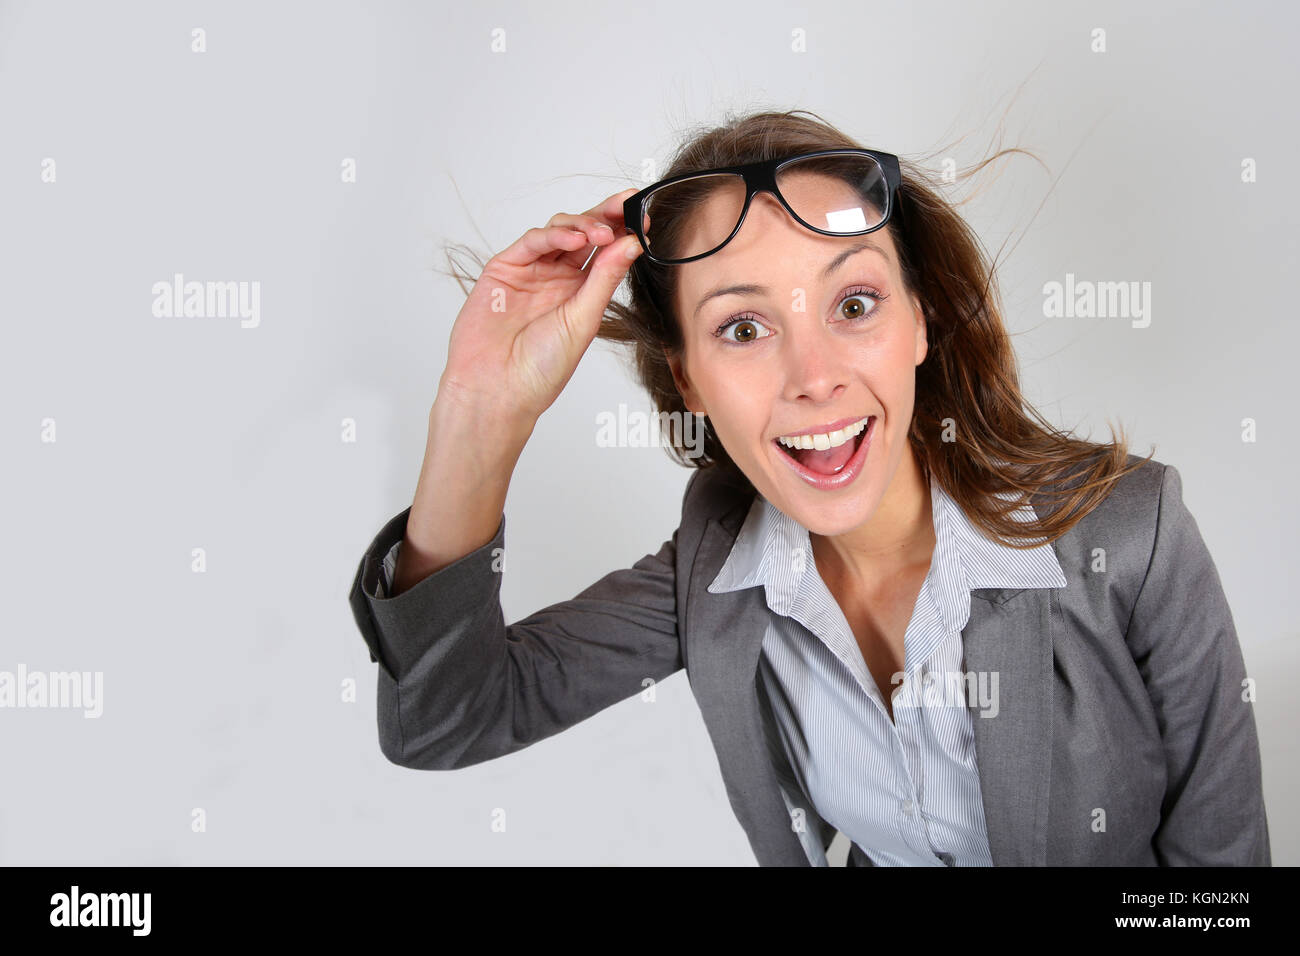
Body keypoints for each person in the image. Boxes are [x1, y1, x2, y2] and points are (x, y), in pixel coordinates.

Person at [347, 108, 1270, 866]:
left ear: (921, 320)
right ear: (689, 383)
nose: (813, 376)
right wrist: (479, 414)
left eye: (854, 305)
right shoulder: (711, 573)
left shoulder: (1132, 535)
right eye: (743, 329)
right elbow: (442, 722)